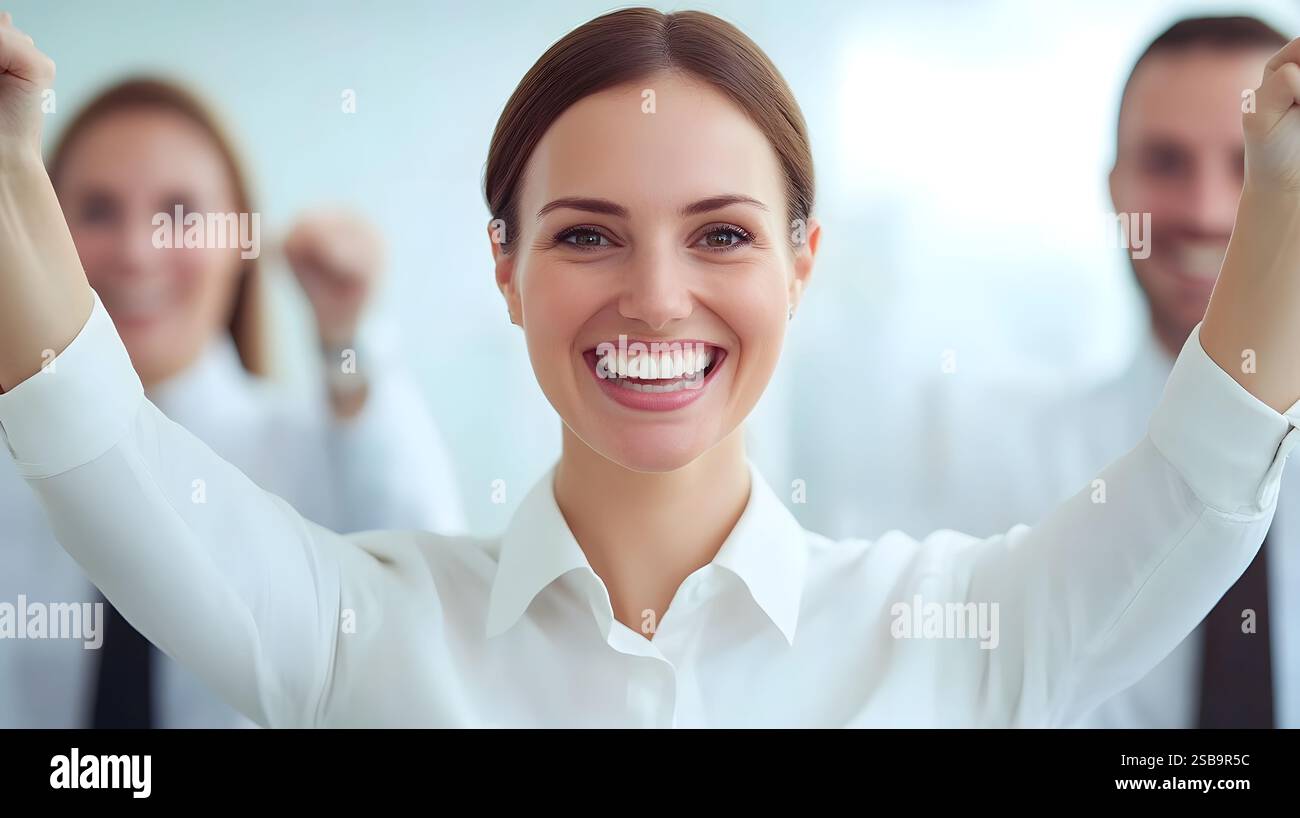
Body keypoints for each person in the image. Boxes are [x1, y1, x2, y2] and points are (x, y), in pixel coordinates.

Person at [0, 6, 1298, 727]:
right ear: (504, 267)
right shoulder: (367, 631)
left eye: (723, 233)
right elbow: (103, 458)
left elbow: (1197, 483)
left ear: (802, 262)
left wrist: (1283, 191)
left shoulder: (955, 630)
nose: (657, 294)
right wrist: (8, 160)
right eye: (587, 235)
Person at [789, 15, 1297, 729]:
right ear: (1114, 188)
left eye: (1251, 164)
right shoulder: (990, 459)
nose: (1209, 211)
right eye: (1166, 163)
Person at [0, 78, 465, 728]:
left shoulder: (317, 450)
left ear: (240, 244)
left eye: (180, 215)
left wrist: (346, 333)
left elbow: (432, 604)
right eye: (99, 211)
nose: (136, 252)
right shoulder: (11, 464)